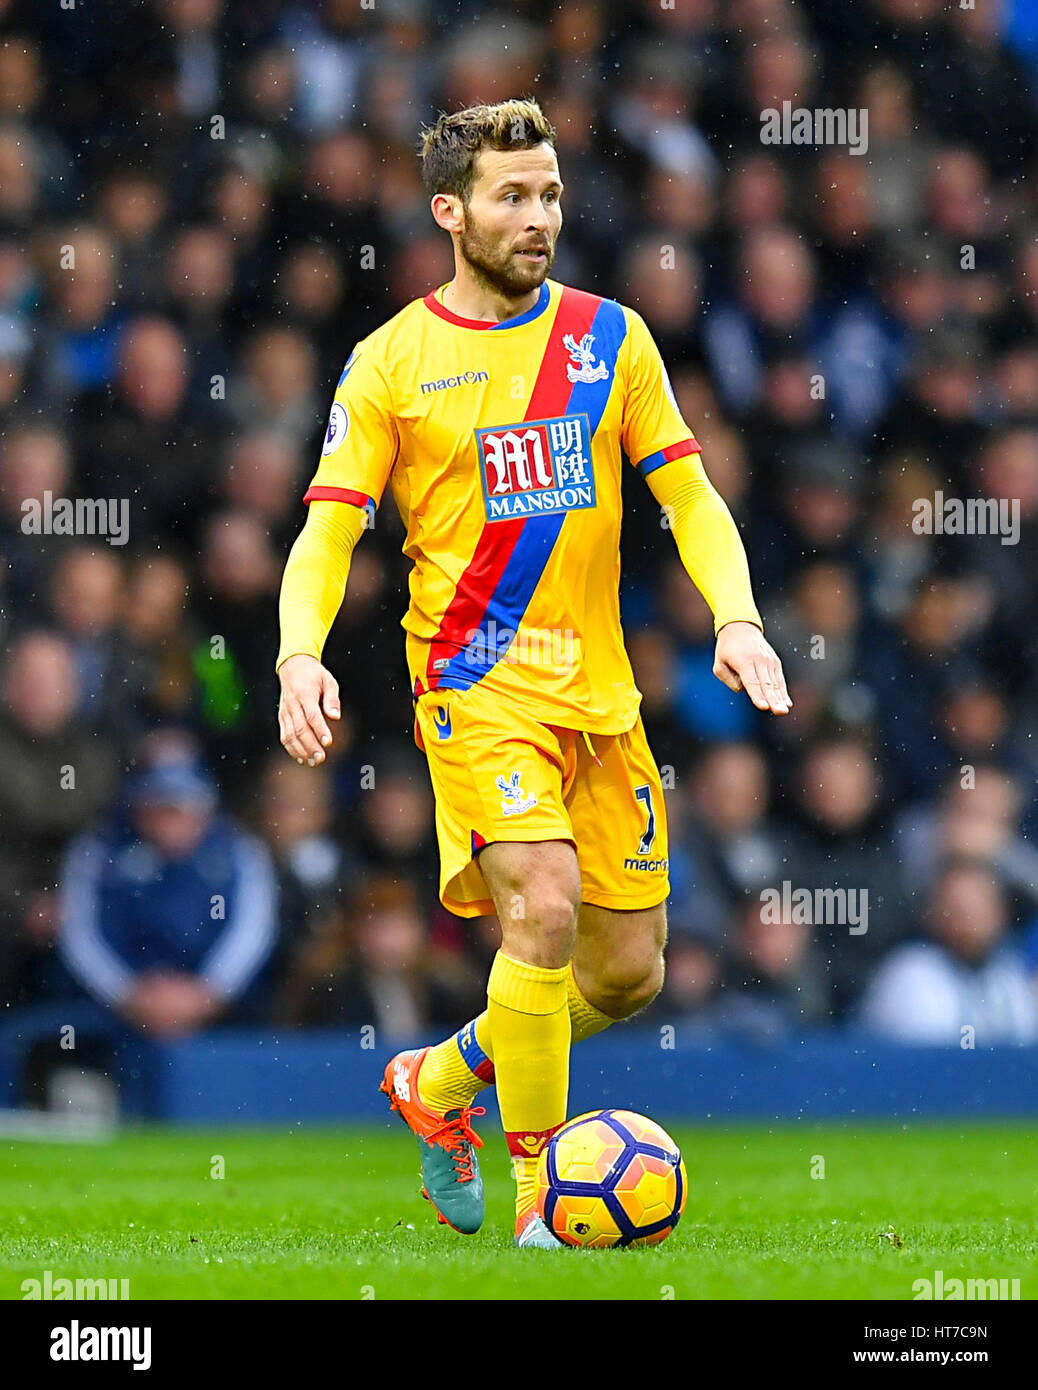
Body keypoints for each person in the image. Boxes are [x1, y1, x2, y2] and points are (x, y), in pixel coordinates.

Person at [275, 98, 790, 1248]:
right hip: (474, 686)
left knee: (625, 974)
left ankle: (440, 1082)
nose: (540, 215)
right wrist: (295, 653)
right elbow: (326, 530)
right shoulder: (390, 363)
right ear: (450, 213)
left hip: (602, 700)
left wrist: (738, 617)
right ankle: (540, 1214)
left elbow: (690, 494)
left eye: (551, 193)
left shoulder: (616, 339)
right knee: (542, 911)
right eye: (514, 196)